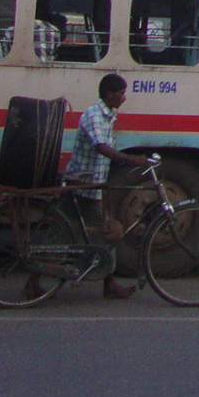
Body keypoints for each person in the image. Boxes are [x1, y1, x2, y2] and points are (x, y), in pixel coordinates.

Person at [64, 73, 151, 300]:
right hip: (82, 187)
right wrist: (131, 160)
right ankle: (107, 284)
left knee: (105, 232)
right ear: (109, 94)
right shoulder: (94, 115)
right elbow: (102, 148)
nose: (124, 98)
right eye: (121, 93)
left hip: (95, 186)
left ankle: (109, 283)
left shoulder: (108, 115)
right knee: (93, 233)